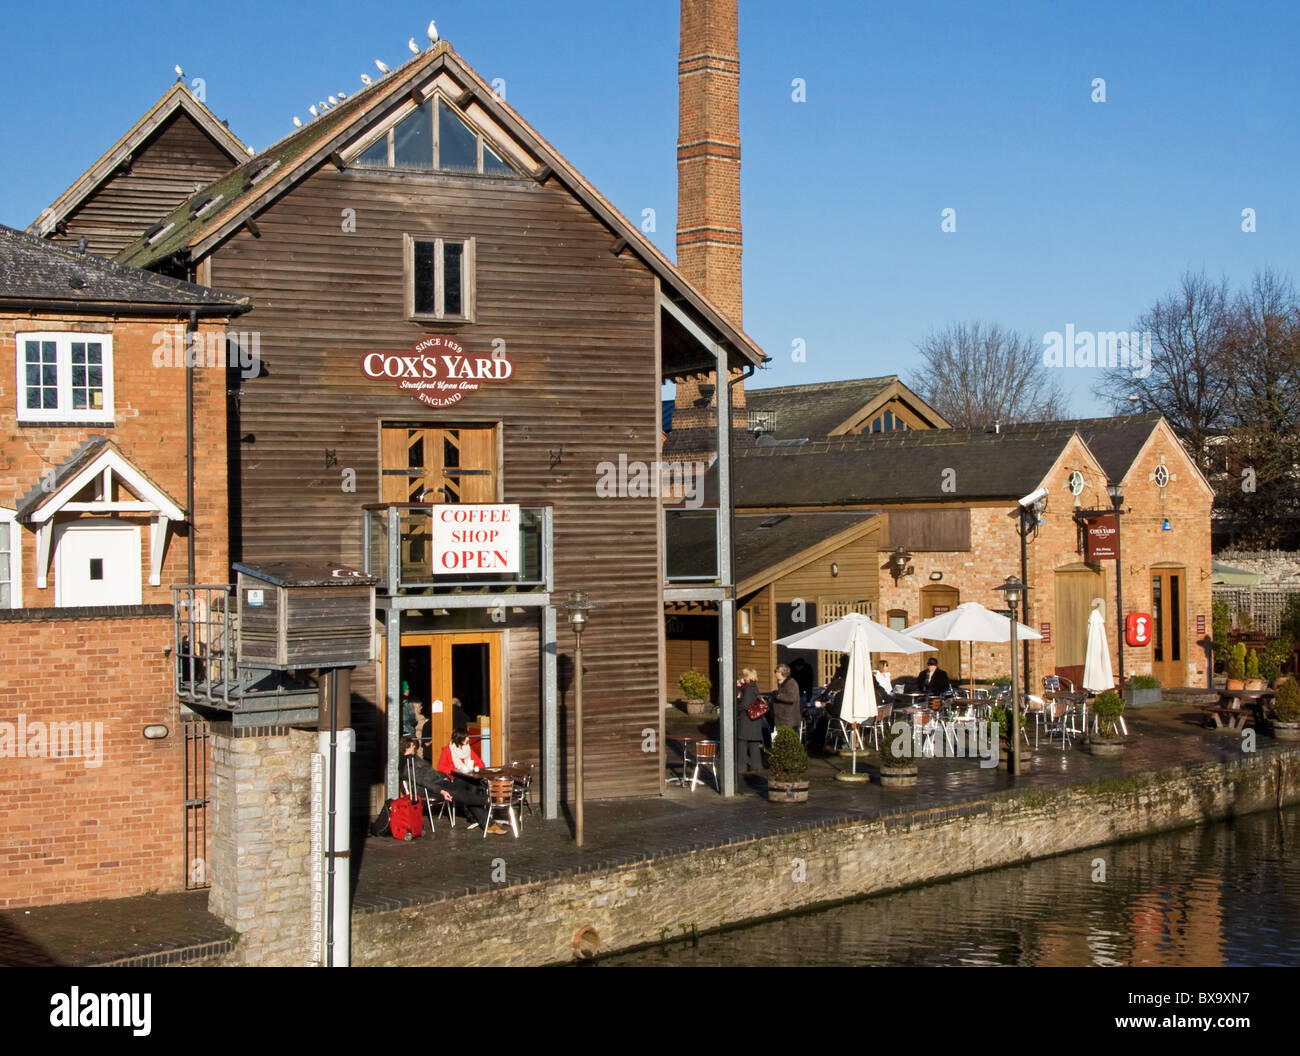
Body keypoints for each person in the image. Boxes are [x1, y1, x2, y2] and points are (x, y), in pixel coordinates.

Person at [400, 736, 507, 835]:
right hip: (429, 789)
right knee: (458, 793)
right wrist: (440, 790)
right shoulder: (407, 765)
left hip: (439, 781)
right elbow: (424, 781)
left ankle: (481, 818)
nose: (414, 746)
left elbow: (432, 771)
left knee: (468, 784)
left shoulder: (415, 758)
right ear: (407, 748)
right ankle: (489, 804)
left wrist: (444, 777)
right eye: (412, 745)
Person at [735, 668, 766, 775]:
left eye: (743, 676)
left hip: (747, 720)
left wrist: (735, 708)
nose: (741, 678)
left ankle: (741, 767)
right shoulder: (754, 686)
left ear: (746, 676)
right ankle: (757, 766)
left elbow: (745, 705)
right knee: (753, 744)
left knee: (742, 744)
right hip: (754, 721)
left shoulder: (748, 688)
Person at [770, 664, 802, 731]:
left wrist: (777, 695)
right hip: (782, 719)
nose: (775, 673)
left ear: (783, 673)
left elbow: (791, 698)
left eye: (777, 671)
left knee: (789, 740)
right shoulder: (782, 683)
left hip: (789, 721)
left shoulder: (791, 683)